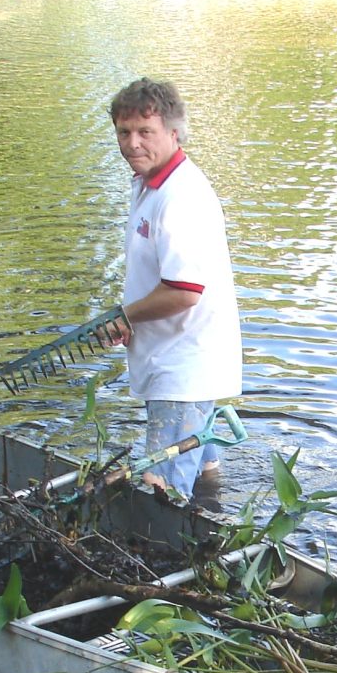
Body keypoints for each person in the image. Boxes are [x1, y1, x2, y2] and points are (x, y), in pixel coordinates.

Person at [106, 77, 242, 501]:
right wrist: (132, 316)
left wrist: (125, 316)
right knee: (204, 476)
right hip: (178, 355)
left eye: (145, 132)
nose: (132, 143)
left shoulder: (180, 196)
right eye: (124, 132)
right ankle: (212, 527)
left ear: (173, 132)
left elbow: (185, 291)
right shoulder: (151, 183)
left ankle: (170, 557)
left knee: (162, 491)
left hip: (182, 368)